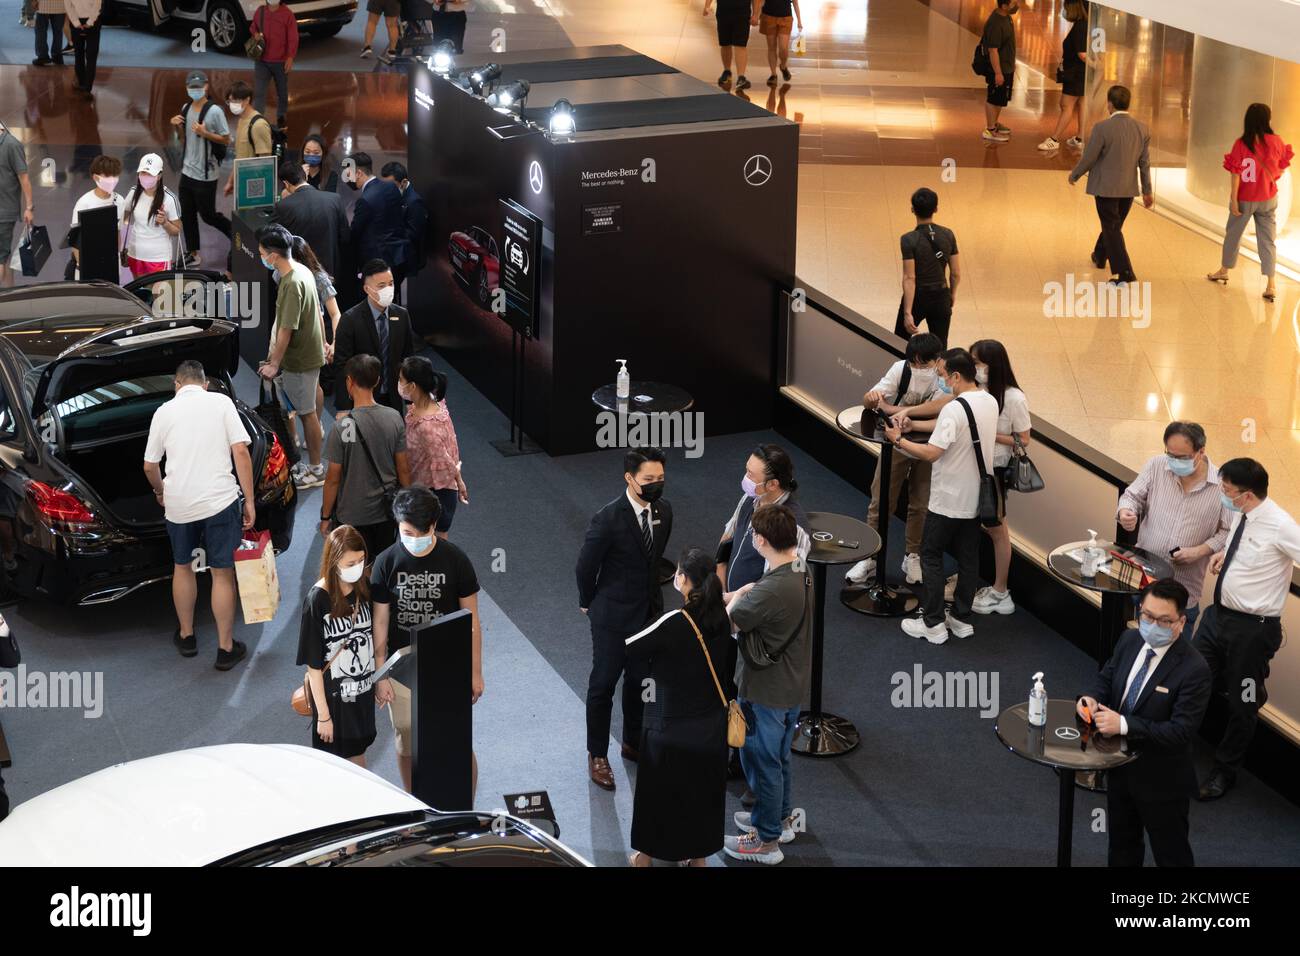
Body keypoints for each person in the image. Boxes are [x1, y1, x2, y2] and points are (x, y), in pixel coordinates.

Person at [1077, 579, 1211, 867]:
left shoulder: (1195, 670)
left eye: (1163, 620)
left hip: (1162, 781)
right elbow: (1108, 676)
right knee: (1122, 847)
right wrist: (1090, 697)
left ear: (1180, 622)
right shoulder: (1130, 639)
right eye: (1147, 616)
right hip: (1119, 767)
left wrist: (1123, 724)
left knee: (1171, 855)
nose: (1152, 625)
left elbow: (1180, 732)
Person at [1195, 458, 1300, 801]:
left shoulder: (1282, 525)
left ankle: (1225, 771)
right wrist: (1224, 554)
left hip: (1252, 633)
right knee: (1190, 677)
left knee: (1244, 701)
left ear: (1248, 495)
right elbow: (1242, 542)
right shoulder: (1242, 513)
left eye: (1227, 491)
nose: (1223, 494)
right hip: (1216, 618)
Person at [142, 360, 256, 671]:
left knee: (183, 567)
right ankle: (225, 648)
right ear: (204, 384)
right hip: (219, 501)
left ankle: (187, 636)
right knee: (221, 572)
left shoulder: (163, 411)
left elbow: (150, 466)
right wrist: (249, 500)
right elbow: (241, 452)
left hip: (179, 505)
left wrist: (160, 492)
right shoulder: (221, 402)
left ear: (176, 385)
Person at [371, 486, 484, 794]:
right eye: (407, 531)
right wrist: (380, 673)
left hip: (447, 662)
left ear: (435, 525)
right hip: (401, 667)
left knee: (456, 740)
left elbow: (471, 620)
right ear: (397, 524)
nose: (415, 537)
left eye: (422, 531)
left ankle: (466, 806)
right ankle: (414, 802)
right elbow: (380, 621)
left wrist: (475, 672)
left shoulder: (456, 559)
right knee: (407, 741)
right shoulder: (385, 562)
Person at [625, 548, 731, 868]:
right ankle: (697, 858)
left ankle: (645, 857)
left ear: (683, 580)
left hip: (667, 722)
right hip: (712, 727)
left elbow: (630, 648)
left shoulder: (674, 621)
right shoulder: (722, 620)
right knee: (701, 794)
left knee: (657, 795)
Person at [575, 447, 674, 792]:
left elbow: (655, 561)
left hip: (648, 615)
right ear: (629, 479)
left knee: (639, 682)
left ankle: (633, 741)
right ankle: (597, 754)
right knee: (603, 685)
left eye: (660, 479)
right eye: (649, 480)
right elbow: (585, 567)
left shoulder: (664, 510)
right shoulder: (608, 519)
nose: (656, 485)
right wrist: (588, 603)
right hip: (612, 618)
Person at [884, 348, 998, 644]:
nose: (942, 381)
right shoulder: (989, 401)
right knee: (968, 559)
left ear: (957, 376)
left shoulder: (953, 409)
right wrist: (915, 425)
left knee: (930, 556)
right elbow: (953, 429)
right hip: (975, 500)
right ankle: (961, 618)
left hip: (947, 500)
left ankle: (933, 623)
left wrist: (899, 440)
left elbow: (933, 453)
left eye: (943, 376)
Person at [723, 504, 811, 865]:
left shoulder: (772, 589)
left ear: (760, 540)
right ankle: (780, 818)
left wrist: (738, 596)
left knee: (761, 761)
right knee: (779, 758)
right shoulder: (801, 570)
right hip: (790, 686)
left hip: (765, 690)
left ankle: (765, 840)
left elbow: (731, 620)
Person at [846, 332, 945, 587]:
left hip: (927, 447)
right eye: (914, 362)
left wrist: (891, 409)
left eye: (924, 363)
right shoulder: (900, 369)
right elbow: (873, 398)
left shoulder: (943, 377)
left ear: (936, 361)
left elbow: (937, 410)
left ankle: (913, 555)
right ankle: (870, 557)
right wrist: (871, 398)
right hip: (896, 446)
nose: (918, 368)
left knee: (921, 504)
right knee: (881, 502)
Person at [1117, 421, 1230, 634]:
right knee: (1139, 644)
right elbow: (1131, 497)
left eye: (1182, 457)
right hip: (1144, 578)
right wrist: (1126, 512)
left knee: (1176, 659)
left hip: (1183, 589)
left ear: (1201, 451)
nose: (1174, 462)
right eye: (1171, 455)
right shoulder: (1157, 465)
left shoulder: (1221, 486)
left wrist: (1200, 551)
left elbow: (1228, 532)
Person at [298, 525, 377, 766]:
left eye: (361, 561)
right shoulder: (318, 600)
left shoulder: (364, 588)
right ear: (334, 563)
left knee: (359, 755)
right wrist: (323, 716)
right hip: (334, 702)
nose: (357, 568)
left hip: (362, 694)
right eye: (350, 564)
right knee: (338, 767)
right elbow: (313, 666)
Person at [320, 354, 410, 559]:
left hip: (351, 515)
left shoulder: (343, 426)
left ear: (349, 382)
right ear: (378, 381)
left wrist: (325, 516)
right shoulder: (394, 418)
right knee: (382, 567)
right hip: (386, 513)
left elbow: (333, 479)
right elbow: (403, 468)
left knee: (353, 567)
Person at [256, 223, 325, 488]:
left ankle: (316, 469)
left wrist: (274, 363)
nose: (262, 257)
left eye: (263, 253)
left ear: (273, 255)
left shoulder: (292, 283)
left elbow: (286, 328)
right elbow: (316, 314)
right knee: (299, 412)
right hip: (307, 355)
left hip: (300, 360)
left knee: (307, 414)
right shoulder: (301, 271)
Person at [1205, 103, 1293, 302]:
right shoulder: (1277, 142)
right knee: (1268, 241)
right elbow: (1281, 169)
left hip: (1245, 198)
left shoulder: (1241, 144)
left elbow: (1235, 174)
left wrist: (1234, 199)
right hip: (1268, 198)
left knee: (1233, 236)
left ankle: (1224, 270)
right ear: (1267, 120)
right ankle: (1271, 284)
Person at [969, 339, 1031, 616]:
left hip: (993, 472)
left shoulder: (1015, 398)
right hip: (971, 465)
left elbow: (1024, 439)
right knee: (973, 525)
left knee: (997, 530)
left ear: (993, 365)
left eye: (978, 363)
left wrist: (988, 431)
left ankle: (1000, 590)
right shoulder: (978, 390)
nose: (974, 368)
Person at [1068, 84, 1153, 285]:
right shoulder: (1142, 129)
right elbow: (1144, 163)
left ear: (1109, 104)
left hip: (1105, 189)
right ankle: (1100, 254)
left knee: (1112, 227)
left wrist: (1075, 174)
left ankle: (1124, 272)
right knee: (1113, 226)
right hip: (1128, 189)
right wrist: (1147, 190)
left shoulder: (1101, 128)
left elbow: (1089, 157)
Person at [333, 259, 416, 414]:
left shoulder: (402, 315)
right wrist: (343, 407)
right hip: (362, 400)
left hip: (394, 398)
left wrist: (412, 400)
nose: (389, 289)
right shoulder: (350, 320)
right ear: (367, 289)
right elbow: (341, 367)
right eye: (381, 286)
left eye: (391, 283)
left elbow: (408, 358)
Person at [399, 356, 468, 539]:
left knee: (433, 542)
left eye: (401, 380)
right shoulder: (432, 401)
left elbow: (444, 459)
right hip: (428, 485)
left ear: (413, 386)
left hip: (434, 492)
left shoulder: (426, 427)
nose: (398, 384)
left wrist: (459, 482)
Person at [169, 70, 231, 270]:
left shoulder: (215, 112)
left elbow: (225, 138)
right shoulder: (186, 108)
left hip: (206, 174)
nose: (195, 90)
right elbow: (184, 137)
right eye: (191, 87)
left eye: (198, 86)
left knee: (208, 215)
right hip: (188, 171)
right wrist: (176, 126)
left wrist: (206, 133)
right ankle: (193, 253)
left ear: (206, 86)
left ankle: (235, 233)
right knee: (187, 213)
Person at [893, 188, 960, 346]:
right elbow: (956, 273)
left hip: (918, 297)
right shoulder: (948, 234)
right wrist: (951, 294)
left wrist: (908, 312)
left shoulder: (908, 239)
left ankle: (901, 370)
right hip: (941, 296)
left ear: (912, 210)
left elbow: (910, 278)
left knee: (898, 342)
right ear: (936, 209)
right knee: (940, 346)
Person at [290, 234, 339, 426]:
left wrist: (333, 343)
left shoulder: (319, 277)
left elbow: (335, 314)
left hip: (313, 335)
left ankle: (315, 424)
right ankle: (293, 432)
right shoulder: (280, 273)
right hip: (291, 330)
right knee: (290, 385)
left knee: (313, 383)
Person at [273, 161, 351, 281]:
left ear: (286, 183)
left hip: (298, 275)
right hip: (330, 273)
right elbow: (345, 237)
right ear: (305, 176)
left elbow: (275, 240)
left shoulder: (283, 206)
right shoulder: (334, 199)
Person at [121, 153, 182, 279]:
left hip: (158, 258)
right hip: (135, 254)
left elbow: (177, 231)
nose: (145, 177)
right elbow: (124, 215)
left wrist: (165, 223)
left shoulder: (169, 199)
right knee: (139, 294)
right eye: (143, 173)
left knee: (158, 296)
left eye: (150, 174)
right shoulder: (133, 193)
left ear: (159, 176)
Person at [1038, 0, 1087, 152]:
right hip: (1081, 73)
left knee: (1066, 105)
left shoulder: (1080, 27)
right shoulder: (1088, 24)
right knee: (1082, 104)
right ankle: (1080, 137)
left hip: (1075, 73)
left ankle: (1055, 138)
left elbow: (1082, 54)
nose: (1064, 12)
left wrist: (1095, 64)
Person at [348, 152, 406, 277]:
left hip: (375, 265)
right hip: (396, 257)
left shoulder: (364, 200)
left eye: (349, 175)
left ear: (358, 173)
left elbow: (355, 233)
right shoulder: (391, 187)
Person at [69, 154, 123, 278]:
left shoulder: (119, 200)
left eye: (115, 175)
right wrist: (83, 266)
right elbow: (75, 241)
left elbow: (118, 232)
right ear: (95, 177)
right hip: (88, 265)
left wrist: (117, 258)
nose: (112, 179)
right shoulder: (84, 203)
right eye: (107, 175)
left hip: (111, 264)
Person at [380, 161, 428, 299]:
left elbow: (413, 234)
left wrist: (389, 236)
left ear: (403, 182)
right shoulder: (393, 195)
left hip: (404, 255)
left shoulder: (414, 202)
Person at [250, 0, 298, 130]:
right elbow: (253, 27)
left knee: (282, 91)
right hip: (262, 61)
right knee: (259, 92)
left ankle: (281, 115)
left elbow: (293, 37)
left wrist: (290, 57)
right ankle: (257, 119)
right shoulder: (260, 11)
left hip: (280, 62)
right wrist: (255, 34)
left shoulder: (287, 14)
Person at [223, 80, 274, 198]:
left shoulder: (258, 124)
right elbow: (240, 157)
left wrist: (258, 192)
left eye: (235, 100)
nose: (232, 104)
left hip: (254, 186)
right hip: (242, 183)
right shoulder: (241, 121)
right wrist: (231, 181)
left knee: (250, 216)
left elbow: (265, 162)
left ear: (247, 99)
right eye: (229, 101)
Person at [0, 120, 34, 288]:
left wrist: (29, 207)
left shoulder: (12, 145)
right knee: (3, 256)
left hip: (4, 212)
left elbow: (24, 178)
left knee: (0, 255)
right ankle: (8, 291)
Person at [980, 0, 1019, 143]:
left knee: (1001, 98)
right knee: (993, 98)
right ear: (1004, 6)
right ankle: (990, 130)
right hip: (998, 68)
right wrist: (998, 72)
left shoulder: (1007, 17)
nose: (1016, 4)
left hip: (1006, 67)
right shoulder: (995, 24)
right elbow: (993, 50)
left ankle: (994, 123)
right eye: (1013, 2)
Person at [703, 0, 754, 89]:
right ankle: (727, 71)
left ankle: (741, 77)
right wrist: (707, 6)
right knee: (725, 43)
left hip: (742, 13)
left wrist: (756, 14)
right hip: (723, 11)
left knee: (740, 45)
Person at [758, 0, 801, 86]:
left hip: (786, 17)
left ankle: (783, 66)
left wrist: (799, 20)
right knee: (771, 47)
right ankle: (773, 75)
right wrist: (756, 14)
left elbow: (795, 3)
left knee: (783, 48)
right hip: (768, 16)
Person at [65, 0, 101, 95]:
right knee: (91, 56)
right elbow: (97, 5)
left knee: (79, 54)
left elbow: (68, 6)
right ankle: (87, 87)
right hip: (93, 21)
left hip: (77, 21)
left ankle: (82, 84)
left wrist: (76, 23)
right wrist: (90, 22)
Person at [32, 0, 65, 66]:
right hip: (60, 6)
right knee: (58, 32)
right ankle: (57, 56)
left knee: (40, 31)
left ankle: (42, 56)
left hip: (43, 5)